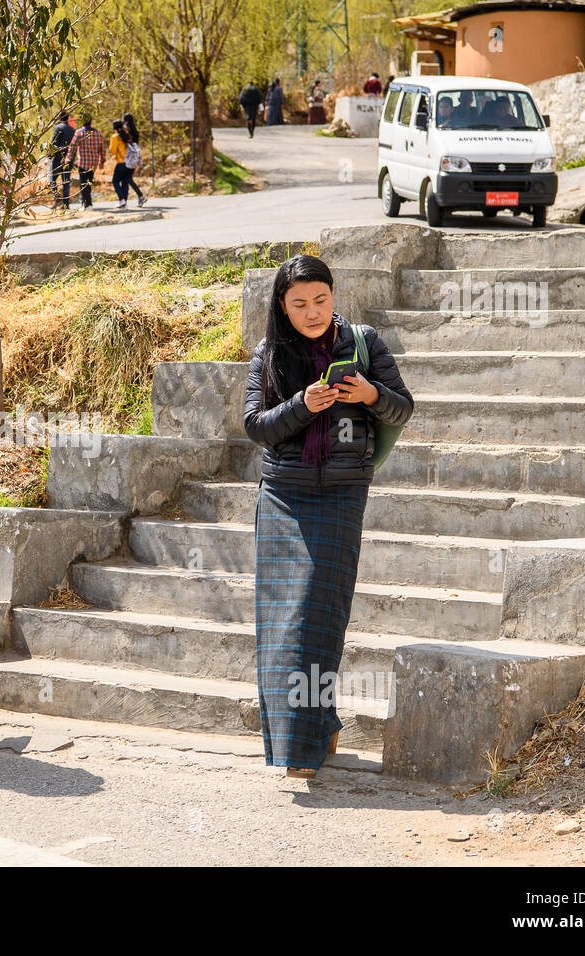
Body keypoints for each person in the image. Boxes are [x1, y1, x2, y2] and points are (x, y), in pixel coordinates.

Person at [242, 255, 413, 779]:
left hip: (341, 497)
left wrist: (370, 394)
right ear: (282, 306)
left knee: (317, 619)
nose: (312, 312)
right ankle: (306, 738)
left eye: (321, 299)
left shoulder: (364, 344)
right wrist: (303, 404)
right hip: (283, 498)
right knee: (281, 624)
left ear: (333, 297)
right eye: (300, 304)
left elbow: (402, 409)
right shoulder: (269, 354)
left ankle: (309, 738)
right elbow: (256, 427)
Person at [66, 112, 105, 209]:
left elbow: (72, 147)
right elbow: (102, 148)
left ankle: (87, 204)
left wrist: (68, 158)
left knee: (83, 183)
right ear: (91, 121)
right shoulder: (98, 133)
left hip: (83, 162)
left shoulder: (79, 132)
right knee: (89, 181)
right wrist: (101, 161)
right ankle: (86, 203)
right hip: (94, 163)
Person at [49, 110, 75, 209]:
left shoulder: (58, 127)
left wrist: (49, 155)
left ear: (59, 117)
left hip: (58, 158)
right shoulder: (72, 130)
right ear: (67, 118)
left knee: (52, 179)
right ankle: (66, 204)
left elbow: (54, 143)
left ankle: (58, 199)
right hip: (69, 159)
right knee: (66, 181)